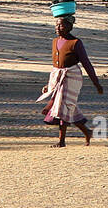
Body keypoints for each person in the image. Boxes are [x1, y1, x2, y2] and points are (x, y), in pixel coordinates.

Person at [37, 13, 103, 147]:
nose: (57, 27)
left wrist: (96, 83)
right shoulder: (55, 41)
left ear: (68, 26)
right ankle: (87, 132)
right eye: (56, 24)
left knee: (63, 107)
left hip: (71, 77)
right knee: (68, 108)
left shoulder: (76, 43)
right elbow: (56, 67)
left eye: (60, 25)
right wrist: (50, 85)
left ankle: (61, 142)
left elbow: (86, 64)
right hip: (58, 78)